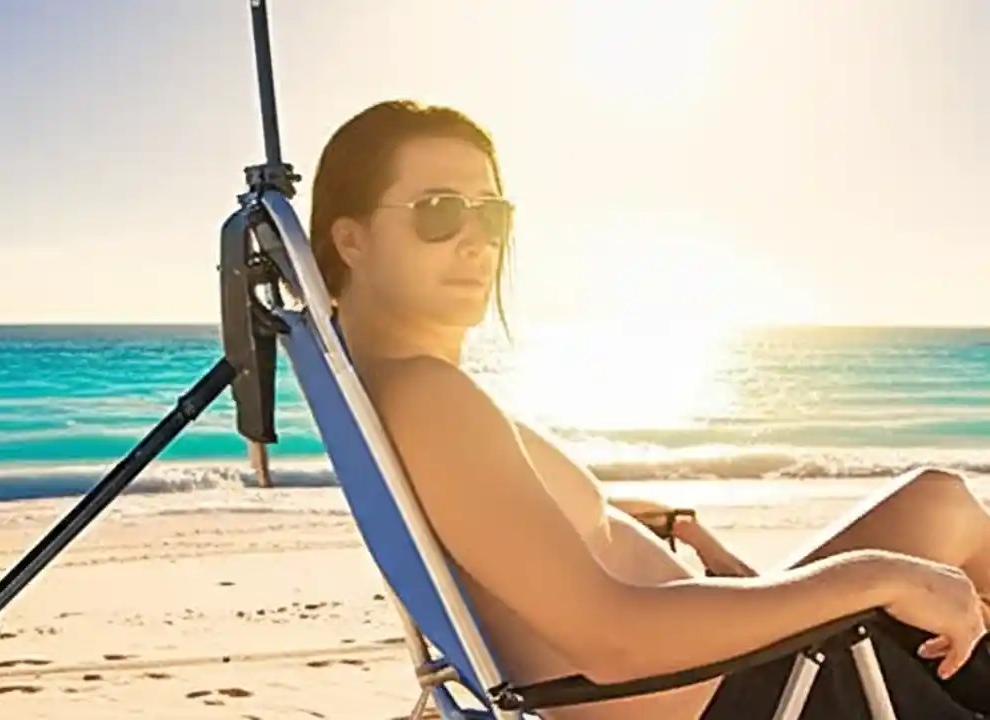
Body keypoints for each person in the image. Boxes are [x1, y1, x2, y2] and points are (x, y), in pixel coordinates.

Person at [306, 99, 990, 719]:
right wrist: (876, 577)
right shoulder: (428, 397)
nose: (478, 239)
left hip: (729, 669)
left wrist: (628, 523)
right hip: (756, 693)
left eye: (491, 214)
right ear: (351, 240)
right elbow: (615, 643)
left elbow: (516, 541)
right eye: (438, 210)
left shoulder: (398, 395)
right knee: (943, 523)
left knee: (940, 502)